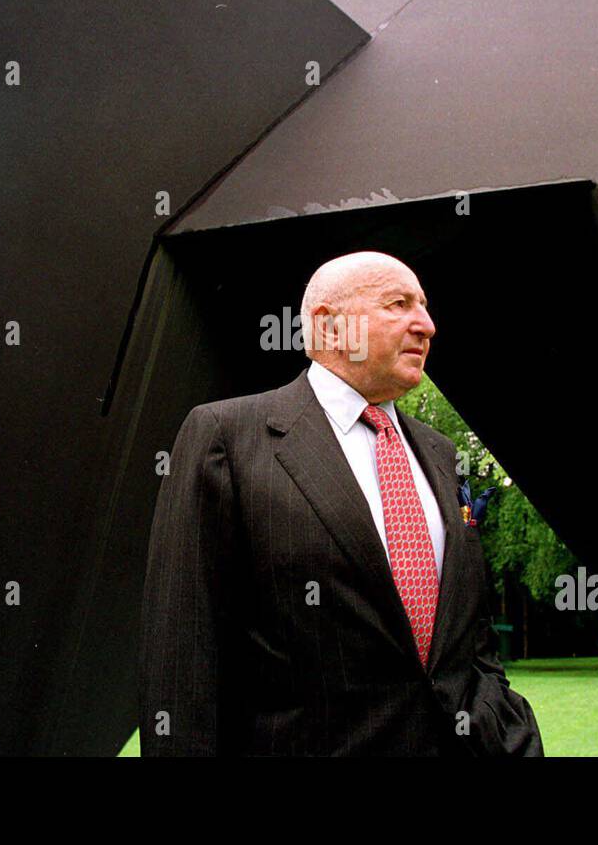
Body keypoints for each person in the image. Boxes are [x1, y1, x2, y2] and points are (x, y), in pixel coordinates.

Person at [138, 251, 543, 756]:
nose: (428, 326)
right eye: (399, 304)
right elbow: (182, 653)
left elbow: (468, 639)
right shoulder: (228, 437)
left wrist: (509, 730)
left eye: (425, 306)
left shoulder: (440, 453)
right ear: (330, 326)